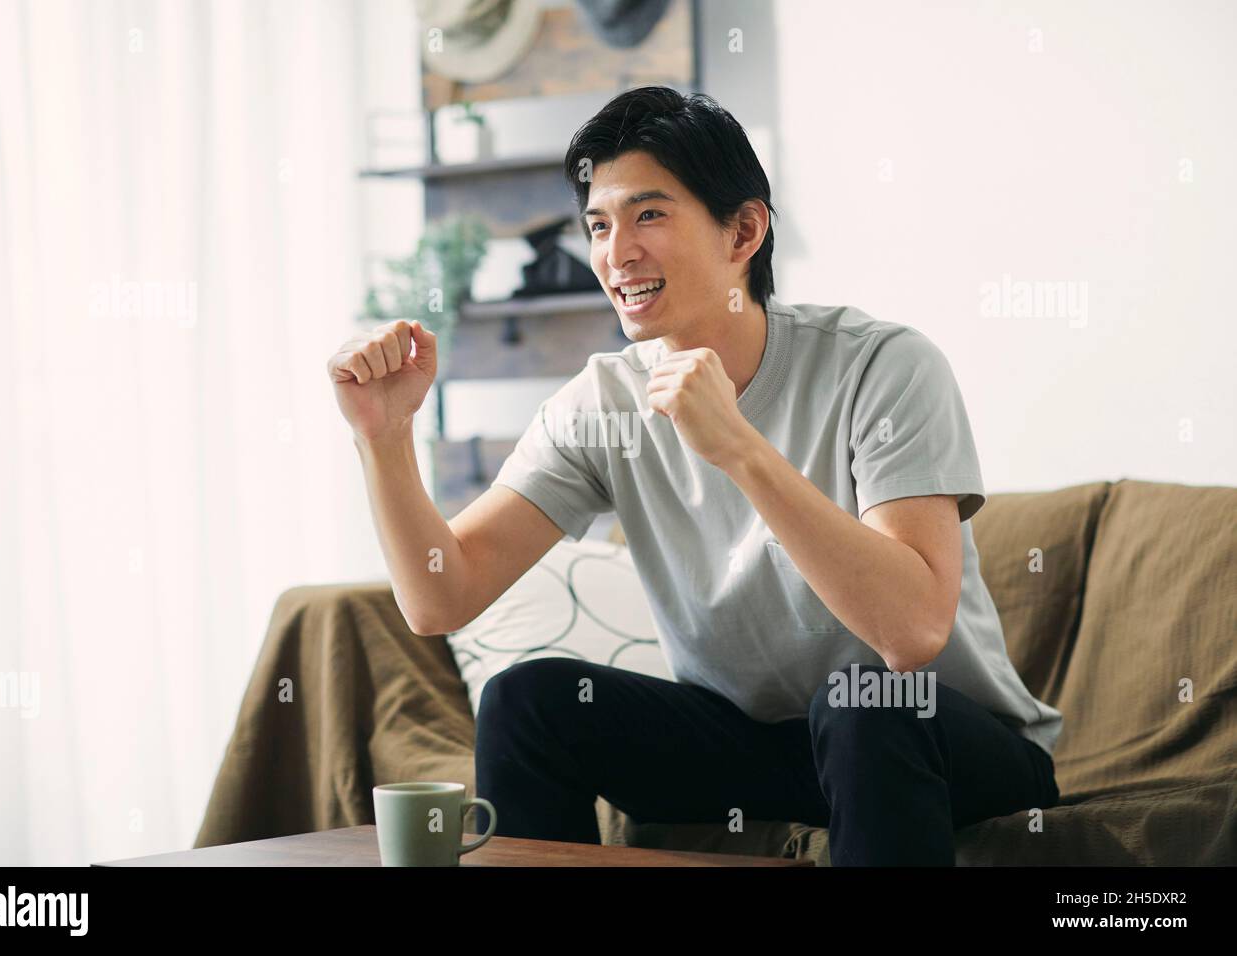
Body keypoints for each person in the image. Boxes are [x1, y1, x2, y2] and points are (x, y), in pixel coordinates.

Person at [326, 86, 1062, 866]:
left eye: (649, 215)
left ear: (743, 230)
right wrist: (388, 437)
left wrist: (738, 448)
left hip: (933, 742)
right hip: (753, 751)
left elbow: (912, 633)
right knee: (528, 699)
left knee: (860, 701)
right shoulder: (600, 404)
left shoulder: (882, 366)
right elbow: (441, 596)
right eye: (599, 226)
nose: (616, 253)